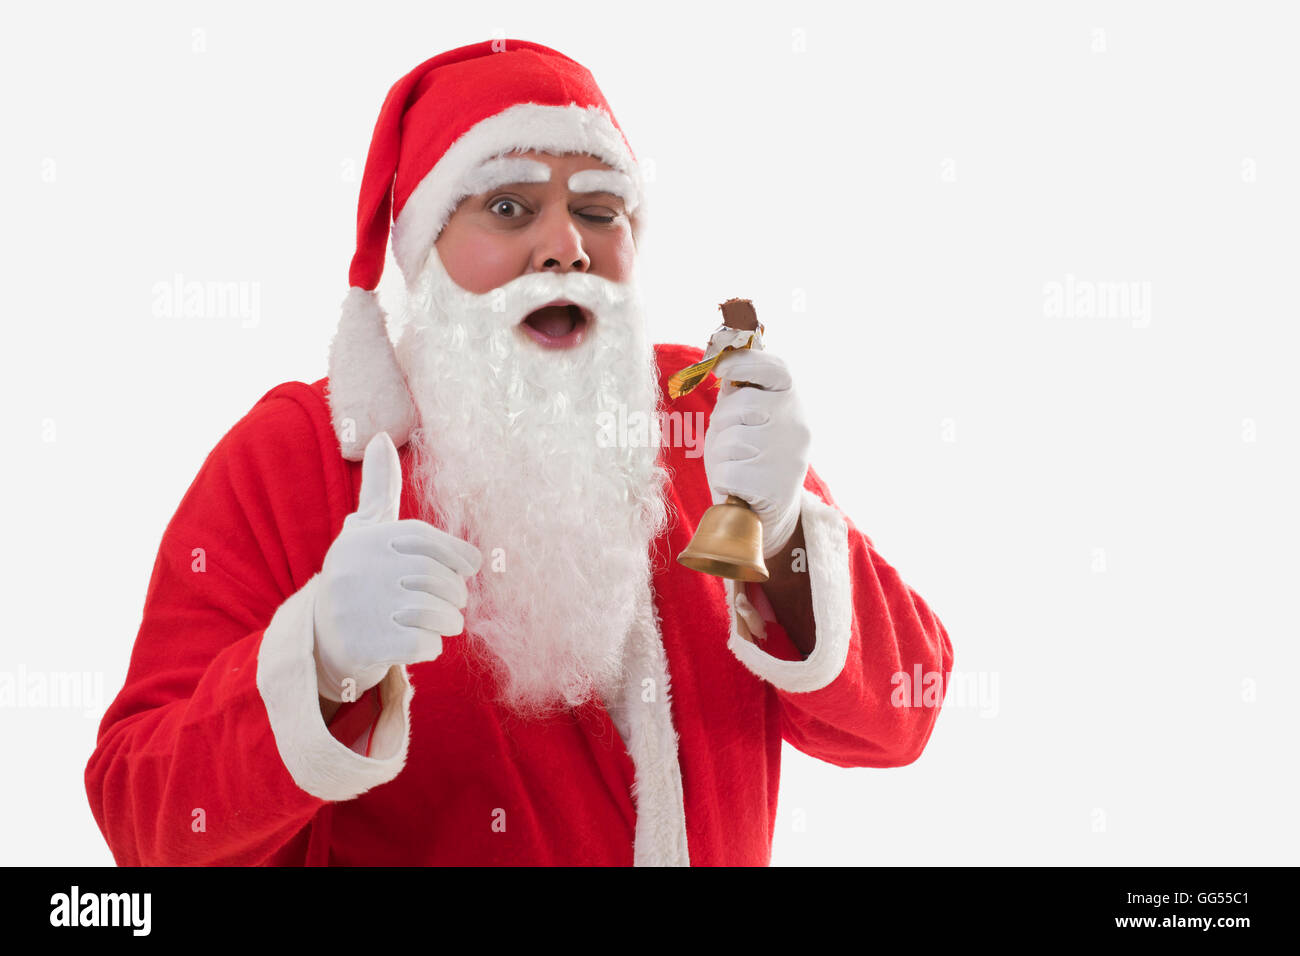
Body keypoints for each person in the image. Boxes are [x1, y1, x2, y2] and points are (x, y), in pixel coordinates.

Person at [84, 39, 954, 866]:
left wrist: (787, 534)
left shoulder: (705, 420)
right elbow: (143, 819)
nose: (566, 247)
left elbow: (904, 713)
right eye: (508, 207)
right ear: (427, 247)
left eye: (598, 212)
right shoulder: (298, 455)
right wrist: (320, 661)